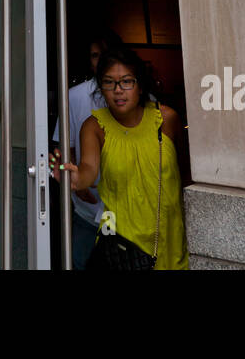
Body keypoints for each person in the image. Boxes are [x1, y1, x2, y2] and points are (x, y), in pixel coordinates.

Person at [53, 45, 189, 270]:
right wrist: (76, 178)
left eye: (126, 81)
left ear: (140, 84)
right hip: (119, 246)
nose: (118, 90)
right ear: (101, 87)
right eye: (109, 82)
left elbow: (185, 172)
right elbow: (88, 169)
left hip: (167, 239)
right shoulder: (94, 126)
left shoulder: (167, 119)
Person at [50, 37, 107, 269]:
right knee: (79, 260)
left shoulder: (139, 100)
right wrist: (78, 183)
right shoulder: (74, 96)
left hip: (120, 209)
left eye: (105, 52)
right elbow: (63, 147)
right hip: (87, 205)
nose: (101, 59)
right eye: (94, 55)